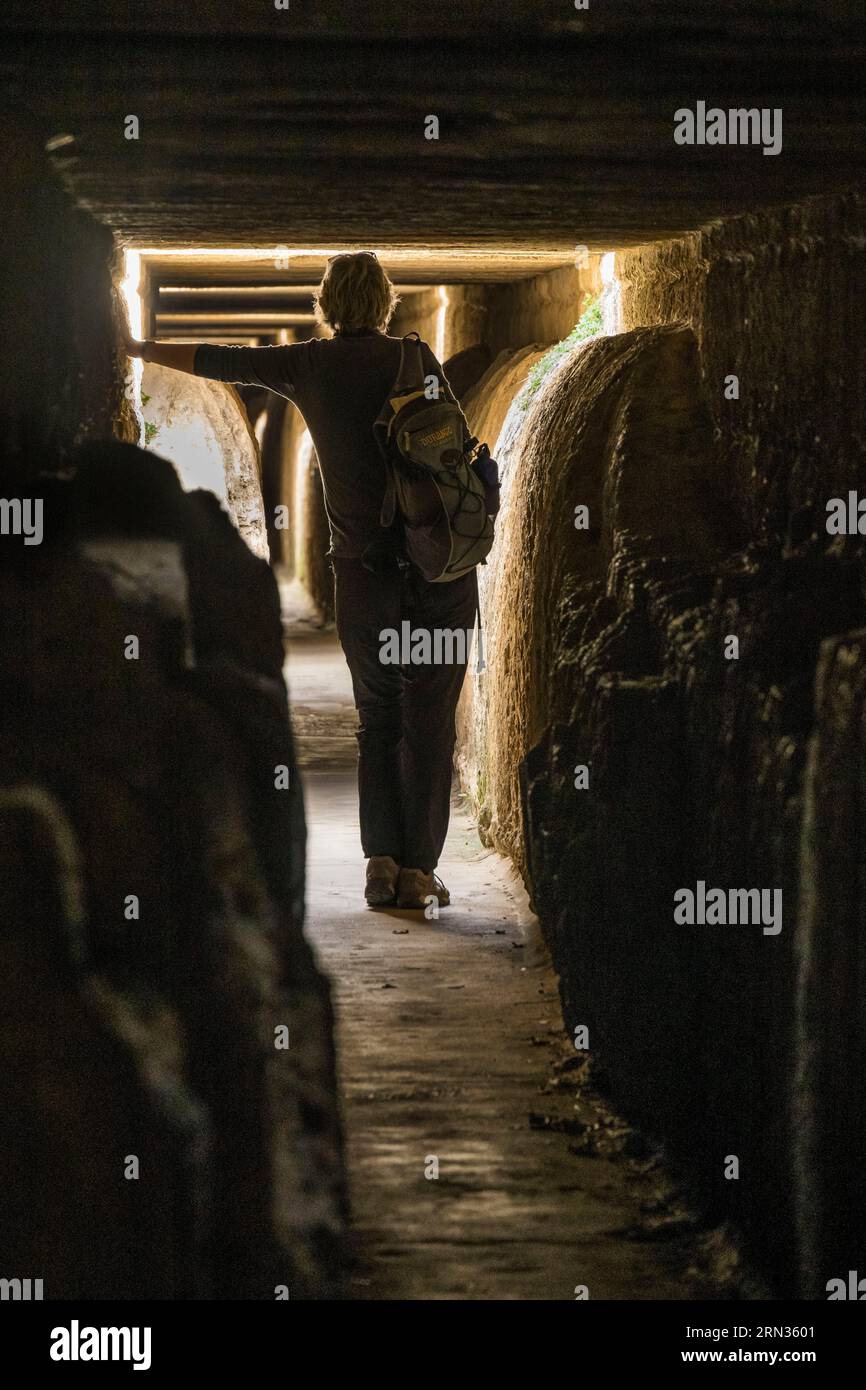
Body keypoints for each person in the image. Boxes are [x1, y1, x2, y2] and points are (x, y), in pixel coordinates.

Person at [125, 252, 478, 910]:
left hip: (362, 577)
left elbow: (220, 359)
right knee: (428, 721)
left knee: (377, 719)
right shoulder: (417, 361)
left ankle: (380, 862)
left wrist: (136, 344)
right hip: (436, 571)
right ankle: (419, 872)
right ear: (385, 301)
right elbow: (454, 453)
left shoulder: (308, 365)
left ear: (326, 304)